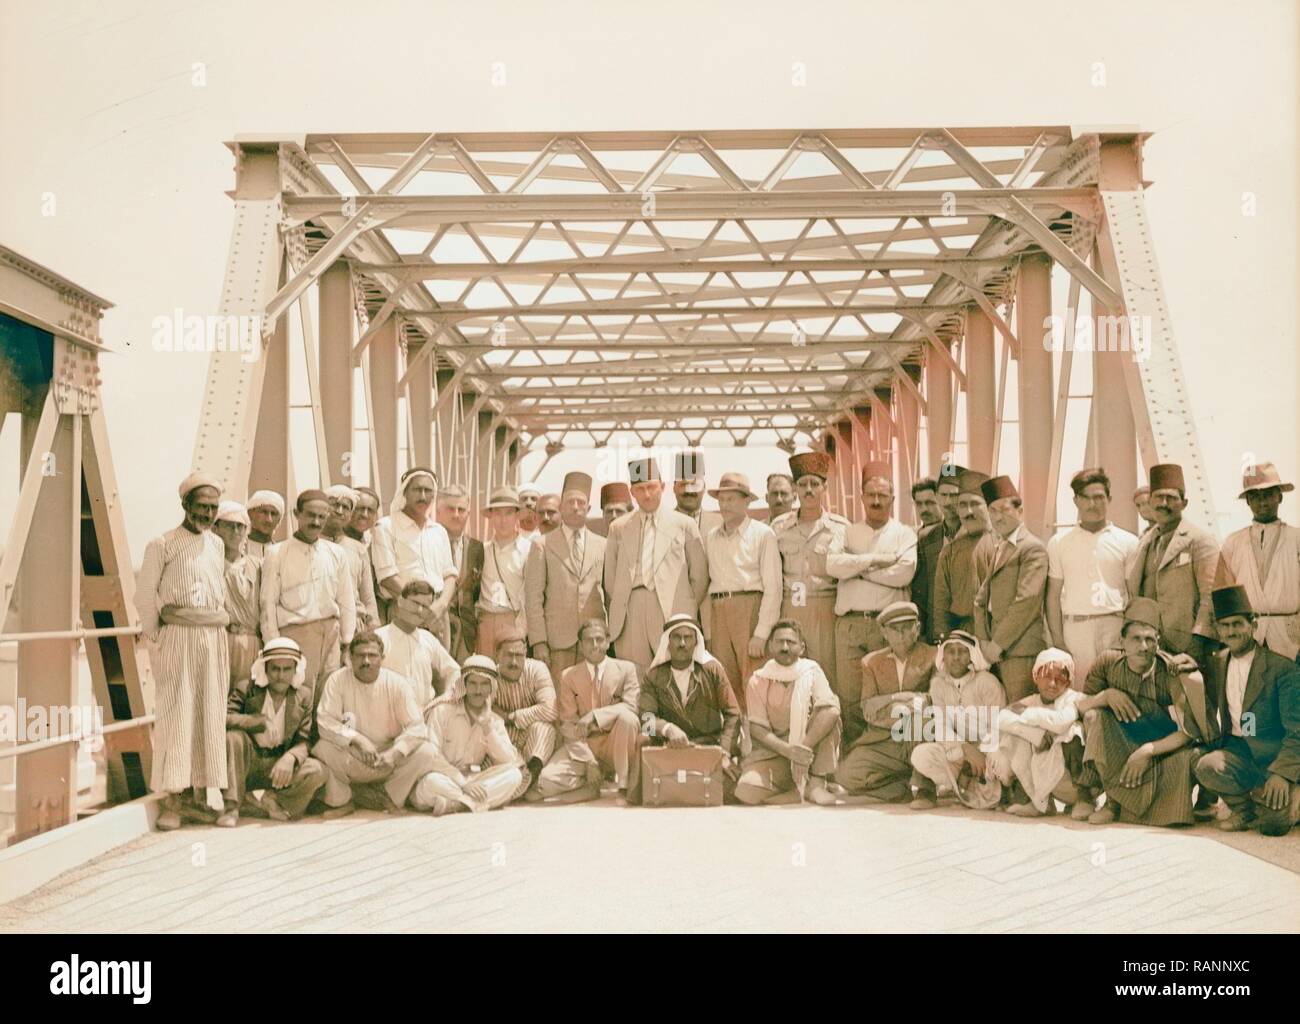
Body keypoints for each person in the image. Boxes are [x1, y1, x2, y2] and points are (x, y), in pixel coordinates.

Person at [136, 473, 232, 830]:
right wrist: (158, 635)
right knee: (177, 714)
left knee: (209, 713)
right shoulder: (162, 544)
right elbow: (145, 595)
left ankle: (201, 798)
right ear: (185, 506)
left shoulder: (217, 545)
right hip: (178, 637)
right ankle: (173, 802)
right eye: (202, 506)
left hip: (212, 638)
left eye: (213, 507)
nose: (207, 514)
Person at [1075, 597, 1211, 826]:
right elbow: (1080, 706)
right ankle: (1109, 800)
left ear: (1158, 642)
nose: (1143, 647)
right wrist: (1106, 695)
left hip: (1162, 748)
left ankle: (1133, 807)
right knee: (1094, 717)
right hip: (1122, 742)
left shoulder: (1170, 670)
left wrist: (1147, 751)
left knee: (1192, 757)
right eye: (1136, 639)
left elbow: (1189, 732)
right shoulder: (1108, 662)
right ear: (1122, 641)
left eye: (1149, 639)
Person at [1194, 585, 1300, 835]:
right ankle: (1246, 809)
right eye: (1226, 625)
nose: (1232, 631)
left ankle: (1292, 793)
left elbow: (1297, 731)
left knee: (1273, 826)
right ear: (1218, 630)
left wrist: (1283, 775)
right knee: (1206, 766)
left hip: (1275, 756)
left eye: (1238, 624)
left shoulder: (1281, 669)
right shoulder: (1218, 662)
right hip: (1241, 752)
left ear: (1253, 625)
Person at [826, 463, 917, 740]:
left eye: (883, 495)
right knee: (850, 694)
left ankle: (885, 750)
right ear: (861, 497)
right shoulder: (847, 532)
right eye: (870, 495)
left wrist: (857, 569)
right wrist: (876, 561)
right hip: (850, 624)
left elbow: (903, 574)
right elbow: (832, 566)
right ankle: (856, 751)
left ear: (892, 499)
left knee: (887, 691)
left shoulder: (904, 533)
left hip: (887, 626)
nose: (876, 501)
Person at [311, 632, 441, 816]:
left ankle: (385, 796)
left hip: (386, 760)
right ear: (350, 658)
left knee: (427, 750)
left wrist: (395, 753)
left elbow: (417, 727)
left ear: (382, 658)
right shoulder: (338, 680)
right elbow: (325, 721)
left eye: (372, 655)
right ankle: (343, 800)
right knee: (324, 748)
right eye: (360, 655)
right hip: (353, 755)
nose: (366, 661)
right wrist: (357, 740)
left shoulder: (397, 683)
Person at [603, 457, 708, 677]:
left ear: (663, 487)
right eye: (640, 489)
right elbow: (611, 579)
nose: (647, 494)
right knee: (634, 676)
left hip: (671, 610)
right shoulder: (619, 528)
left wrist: (684, 605)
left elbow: (699, 577)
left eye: (651, 487)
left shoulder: (684, 524)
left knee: (675, 672)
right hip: (631, 610)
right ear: (632, 492)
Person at [259, 489, 357, 710]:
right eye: (310, 515)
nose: (316, 522)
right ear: (297, 514)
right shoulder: (277, 553)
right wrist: (274, 646)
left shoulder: (336, 553)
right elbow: (267, 605)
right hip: (295, 636)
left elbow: (346, 599)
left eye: (322, 517)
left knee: (329, 700)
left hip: (331, 637)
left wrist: (347, 642)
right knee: (297, 702)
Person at [834, 601, 935, 803]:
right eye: (895, 629)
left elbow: (933, 701)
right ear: (884, 633)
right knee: (845, 775)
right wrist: (898, 699)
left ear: (918, 628)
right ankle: (898, 788)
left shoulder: (933, 655)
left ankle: (926, 789)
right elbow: (868, 708)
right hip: (883, 739)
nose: (901, 635)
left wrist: (890, 707)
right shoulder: (871, 661)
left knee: (922, 717)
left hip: (919, 735)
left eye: (907, 628)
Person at [636, 614, 743, 802]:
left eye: (688, 637)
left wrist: (723, 754)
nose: (682, 643)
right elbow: (646, 721)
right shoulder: (654, 676)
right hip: (668, 748)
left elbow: (733, 714)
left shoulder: (713, 670)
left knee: (736, 791)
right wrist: (668, 729)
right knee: (653, 787)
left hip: (709, 747)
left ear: (696, 642)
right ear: (667, 642)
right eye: (676, 637)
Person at [220, 637, 327, 826]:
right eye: (275, 669)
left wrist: (291, 757)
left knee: (317, 770)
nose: (281, 675)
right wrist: (259, 721)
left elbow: (305, 739)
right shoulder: (247, 689)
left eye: (287, 669)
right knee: (232, 738)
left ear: (296, 670)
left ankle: (271, 801)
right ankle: (232, 807)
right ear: (265, 669)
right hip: (248, 764)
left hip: (279, 767)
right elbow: (223, 719)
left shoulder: (304, 696)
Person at [1046, 468, 1139, 683]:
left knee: (1118, 687)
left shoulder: (1128, 542)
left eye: (1099, 497)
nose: (1092, 504)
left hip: (1115, 625)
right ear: (1076, 500)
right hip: (1076, 630)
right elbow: (1052, 596)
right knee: (1079, 691)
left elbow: (1134, 594)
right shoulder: (1059, 542)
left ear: (1109, 499)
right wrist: (1058, 641)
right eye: (1086, 498)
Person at [534, 619, 644, 802]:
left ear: (608, 642)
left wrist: (595, 715)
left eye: (599, 639)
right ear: (581, 645)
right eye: (588, 641)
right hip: (584, 744)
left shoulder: (626, 669)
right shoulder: (568, 676)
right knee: (546, 781)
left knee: (628, 718)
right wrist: (588, 761)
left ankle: (623, 783)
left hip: (615, 742)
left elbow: (632, 706)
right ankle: (592, 785)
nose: (595, 645)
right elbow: (568, 724)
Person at [735, 620, 841, 805]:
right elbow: (757, 729)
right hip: (775, 753)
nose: (785, 647)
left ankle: (815, 784)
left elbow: (831, 712)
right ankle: (795, 791)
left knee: (829, 712)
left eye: (791, 642)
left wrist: (803, 749)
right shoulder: (758, 679)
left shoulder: (812, 671)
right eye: (779, 642)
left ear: (802, 647)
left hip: (809, 752)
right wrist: (789, 752)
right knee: (746, 791)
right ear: (770, 646)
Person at [1126, 463, 1220, 663]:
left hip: (1188, 647)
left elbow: (1209, 596)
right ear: (1150, 501)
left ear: (1184, 503)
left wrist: (1198, 642)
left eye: (1171, 498)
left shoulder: (1200, 541)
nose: (1164, 503)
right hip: (1151, 648)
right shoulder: (1144, 543)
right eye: (1158, 497)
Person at [703, 472, 782, 709]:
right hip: (719, 610)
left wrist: (762, 632)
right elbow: (708, 583)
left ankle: (757, 741)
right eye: (721, 499)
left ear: (746, 501)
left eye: (731, 499)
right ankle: (735, 741)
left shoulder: (762, 534)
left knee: (754, 680)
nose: (725, 505)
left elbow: (773, 587)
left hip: (749, 607)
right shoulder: (711, 537)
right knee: (725, 681)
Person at [410, 655, 528, 815]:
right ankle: (471, 803)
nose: (478, 691)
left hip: (473, 781)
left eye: (484, 684)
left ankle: (457, 805)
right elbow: (432, 756)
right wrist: (462, 783)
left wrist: (487, 727)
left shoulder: (494, 721)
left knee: (514, 776)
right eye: (472, 683)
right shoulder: (443, 712)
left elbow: (508, 760)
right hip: (443, 777)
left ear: (491, 687)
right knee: (431, 783)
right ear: (464, 684)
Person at [771, 451, 849, 681]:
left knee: (826, 672)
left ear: (825, 487)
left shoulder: (840, 528)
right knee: (791, 670)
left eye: (815, 484)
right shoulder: (779, 528)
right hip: (791, 606)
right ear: (795, 488)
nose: (808, 490)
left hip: (826, 606)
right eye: (802, 484)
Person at [908, 630, 1006, 810]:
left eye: (962, 651)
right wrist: (964, 748)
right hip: (959, 752)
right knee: (921, 755)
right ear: (943, 656)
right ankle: (959, 782)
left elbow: (999, 726)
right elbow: (940, 726)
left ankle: (977, 786)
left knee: (1003, 766)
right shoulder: (938, 684)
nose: (956, 657)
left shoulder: (987, 682)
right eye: (951, 652)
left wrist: (980, 753)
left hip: (987, 753)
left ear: (971, 656)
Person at [971, 476, 1048, 702]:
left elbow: (1027, 602)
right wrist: (984, 641)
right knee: (1001, 717)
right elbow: (982, 600)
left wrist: (997, 644)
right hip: (995, 650)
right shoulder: (1001, 546)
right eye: (992, 510)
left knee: (1020, 715)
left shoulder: (1031, 548)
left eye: (1004, 509)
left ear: (1020, 510)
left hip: (1020, 651)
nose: (997, 517)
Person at [525, 471, 607, 681]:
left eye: (581, 502)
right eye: (570, 502)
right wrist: (538, 641)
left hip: (594, 641)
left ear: (589, 509)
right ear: (561, 507)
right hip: (557, 643)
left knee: (592, 702)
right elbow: (533, 598)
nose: (576, 507)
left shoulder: (604, 545)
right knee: (560, 704)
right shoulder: (542, 545)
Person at [1216, 461, 1300, 661]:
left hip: (1290, 636)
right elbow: (1223, 593)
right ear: (1248, 501)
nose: (1263, 502)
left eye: (1269, 495)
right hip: (1246, 635)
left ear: (1279, 497)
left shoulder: (1296, 538)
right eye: (1255, 497)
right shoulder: (1233, 542)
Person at [987, 648, 1086, 817]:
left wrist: (1029, 716)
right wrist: (1035, 735)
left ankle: (1085, 799)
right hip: (1047, 777)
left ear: (1068, 682)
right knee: (1011, 738)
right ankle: (1038, 802)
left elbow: (1061, 722)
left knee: (1073, 733)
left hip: (1071, 781)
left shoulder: (1072, 698)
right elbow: (1000, 718)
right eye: (1047, 677)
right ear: (1035, 677)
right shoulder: (1032, 701)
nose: (1052, 683)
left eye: (1060, 678)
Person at [372, 466, 458, 648]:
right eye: (417, 490)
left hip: (438, 613)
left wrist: (440, 605)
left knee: (439, 672)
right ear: (405, 492)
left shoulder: (439, 531)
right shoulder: (385, 527)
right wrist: (422, 606)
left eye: (428, 491)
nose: (423, 496)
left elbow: (449, 575)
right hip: (404, 610)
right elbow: (387, 577)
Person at [376, 580, 461, 711]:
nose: (420, 610)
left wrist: (446, 697)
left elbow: (454, 670)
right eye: (415, 603)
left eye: (426, 606)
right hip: (390, 716)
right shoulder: (379, 638)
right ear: (400, 601)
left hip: (425, 716)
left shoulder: (427, 639)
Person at [489, 631, 558, 791]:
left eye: (519, 655)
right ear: (497, 654)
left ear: (526, 653)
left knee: (544, 728)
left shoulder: (537, 669)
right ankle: (518, 780)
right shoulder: (490, 674)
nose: (514, 662)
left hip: (529, 736)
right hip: (505, 736)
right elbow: (485, 710)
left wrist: (510, 717)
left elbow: (550, 710)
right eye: (508, 655)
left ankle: (531, 772)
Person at [932, 470, 990, 636]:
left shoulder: (1007, 545)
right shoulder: (950, 551)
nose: (968, 511)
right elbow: (941, 606)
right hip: (964, 637)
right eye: (963, 505)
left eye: (975, 504)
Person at [477, 485, 532, 653]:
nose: (503, 520)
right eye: (498, 513)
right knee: (484, 673)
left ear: (517, 516)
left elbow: (531, 595)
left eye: (508, 513)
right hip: (485, 620)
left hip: (514, 620)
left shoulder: (528, 550)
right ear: (491, 516)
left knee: (510, 675)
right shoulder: (481, 550)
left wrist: (522, 629)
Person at [213, 500, 261, 688]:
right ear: (216, 528)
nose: (235, 532)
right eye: (229, 525)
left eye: (240, 526)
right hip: (221, 639)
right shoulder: (209, 564)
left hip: (252, 642)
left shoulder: (258, 566)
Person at [437, 483, 484, 660]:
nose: (456, 514)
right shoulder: (427, 542)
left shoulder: (477, 548)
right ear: (438, 511)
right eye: (450, 509)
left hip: (467, 634)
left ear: (468, 514)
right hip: (436, 629)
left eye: (461, 509)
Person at [323, 484, 380, 631]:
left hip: (355, 625)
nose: (339, 511)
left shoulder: (359, 549)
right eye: (334, 505)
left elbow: (368, 598)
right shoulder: (311, 543)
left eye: (345, 507)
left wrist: (373, 629)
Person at [912, 474, 957, 644]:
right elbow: (920, 592)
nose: (924, 509)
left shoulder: (968, 533)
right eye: (919, 504)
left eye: (930, 503)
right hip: (935, 626)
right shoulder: (923, 539)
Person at [674, 449, 721, 534]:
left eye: (694, 485)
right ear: (674, 488)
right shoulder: (661, 523)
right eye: (684, 484)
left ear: (704, 488)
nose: (689, 491)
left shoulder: (721, 524)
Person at [245, 490, 285, 563]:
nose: (269, 520)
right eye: (264, 512)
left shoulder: (282, 553)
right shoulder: (239, 550)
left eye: (274, 514)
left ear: (279, 520)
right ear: (250, 514)